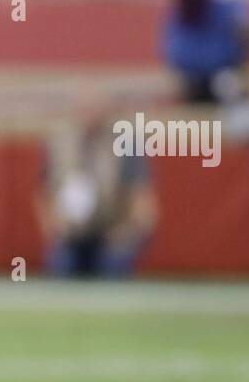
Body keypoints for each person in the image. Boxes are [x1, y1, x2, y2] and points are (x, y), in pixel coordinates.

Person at [36, 92, 158, 278]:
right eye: (86, 108)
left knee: (113, 263)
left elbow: (141, 198)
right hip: (73, 233)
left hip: (112, 232)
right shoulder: (61, 144)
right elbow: (44, 193)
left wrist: (129, 232)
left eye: (95, 108)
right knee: (63, 262)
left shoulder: (125, 144)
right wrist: (55, 228)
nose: (91, 114)